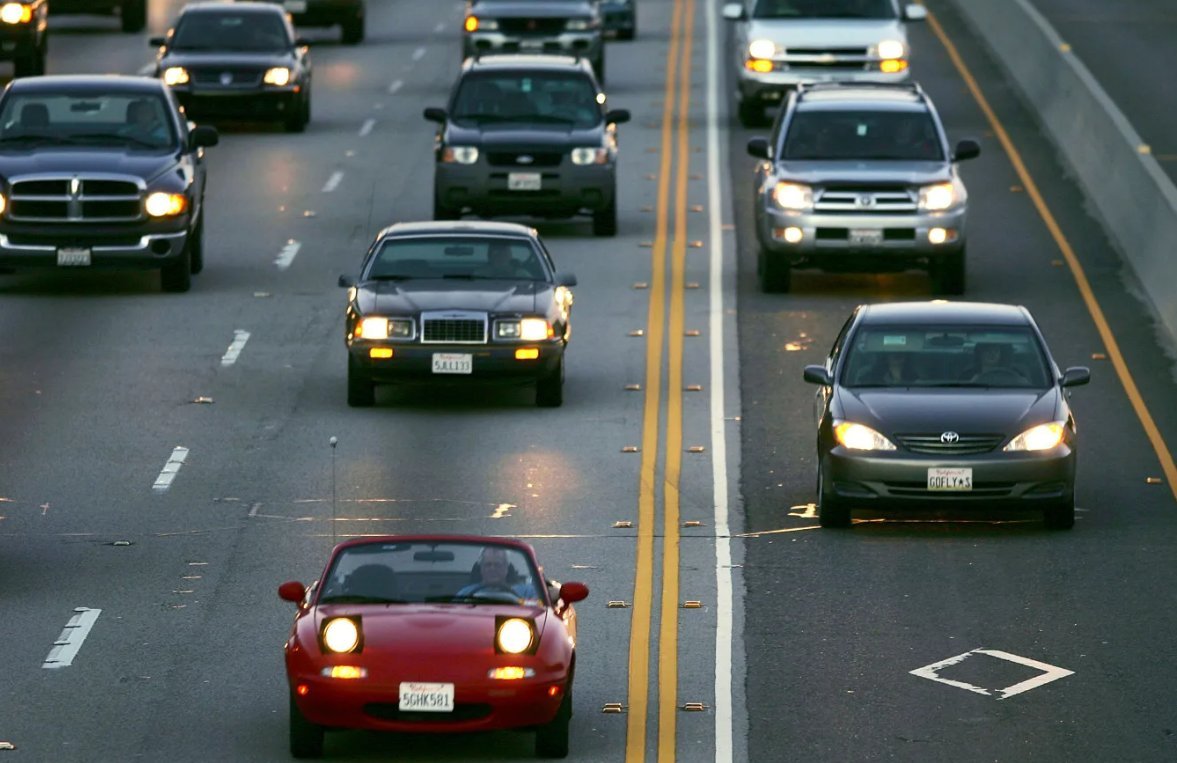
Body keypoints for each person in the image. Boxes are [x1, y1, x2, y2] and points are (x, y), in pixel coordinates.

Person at [455, 546, 539, 600]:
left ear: (506, 567)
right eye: (488, 565)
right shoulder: (466, 593)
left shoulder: (527, 592)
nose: (492, 568)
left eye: (497, 564)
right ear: (481, 568)